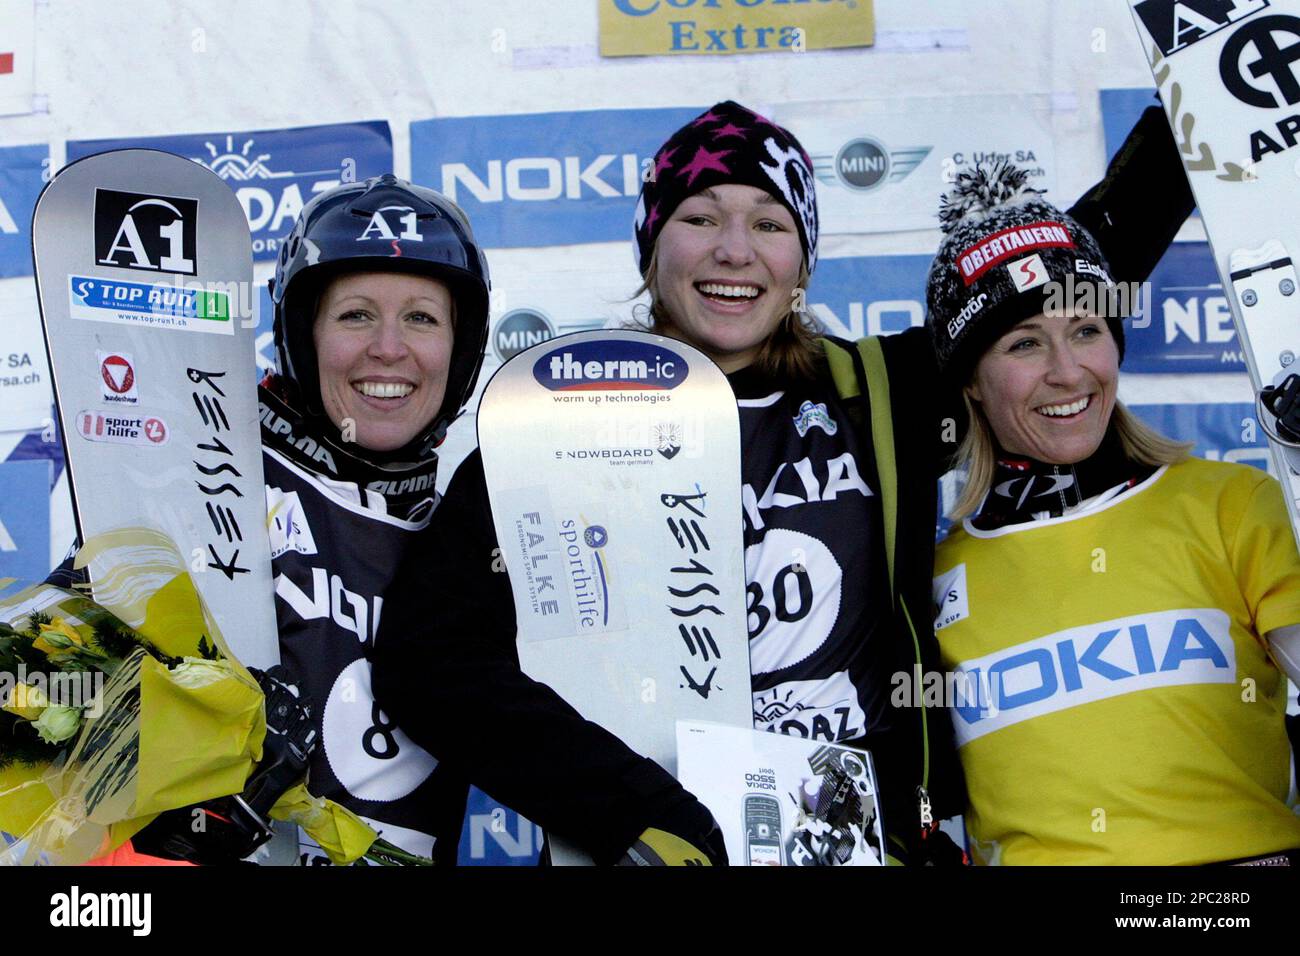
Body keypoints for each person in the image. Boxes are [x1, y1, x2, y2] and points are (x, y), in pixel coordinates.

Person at [373, 102, 1195, 864]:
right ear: (651, 250)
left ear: (802, 257)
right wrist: (630, 811)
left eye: (769, 223)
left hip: (860, 840)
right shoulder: (557, 426)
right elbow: (428, 660)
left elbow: (1063, 266)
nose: (735, 250)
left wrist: (1207, 103)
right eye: (700, 219)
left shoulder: (881, 392)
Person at [50, 174, 491, 865]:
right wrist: (164, 777)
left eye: (421, 318)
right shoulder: (205, 482)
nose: (388, 349)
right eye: (355, 315)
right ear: (300, 333)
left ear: (460, 351)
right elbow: (39, 689)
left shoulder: (474, 530)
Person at [925, 160, 1300, 865]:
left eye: (1086, 330)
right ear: (971, 383)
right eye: (1025, 344)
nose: (1068, 372)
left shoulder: (1228, 503)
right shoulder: (938, 577)